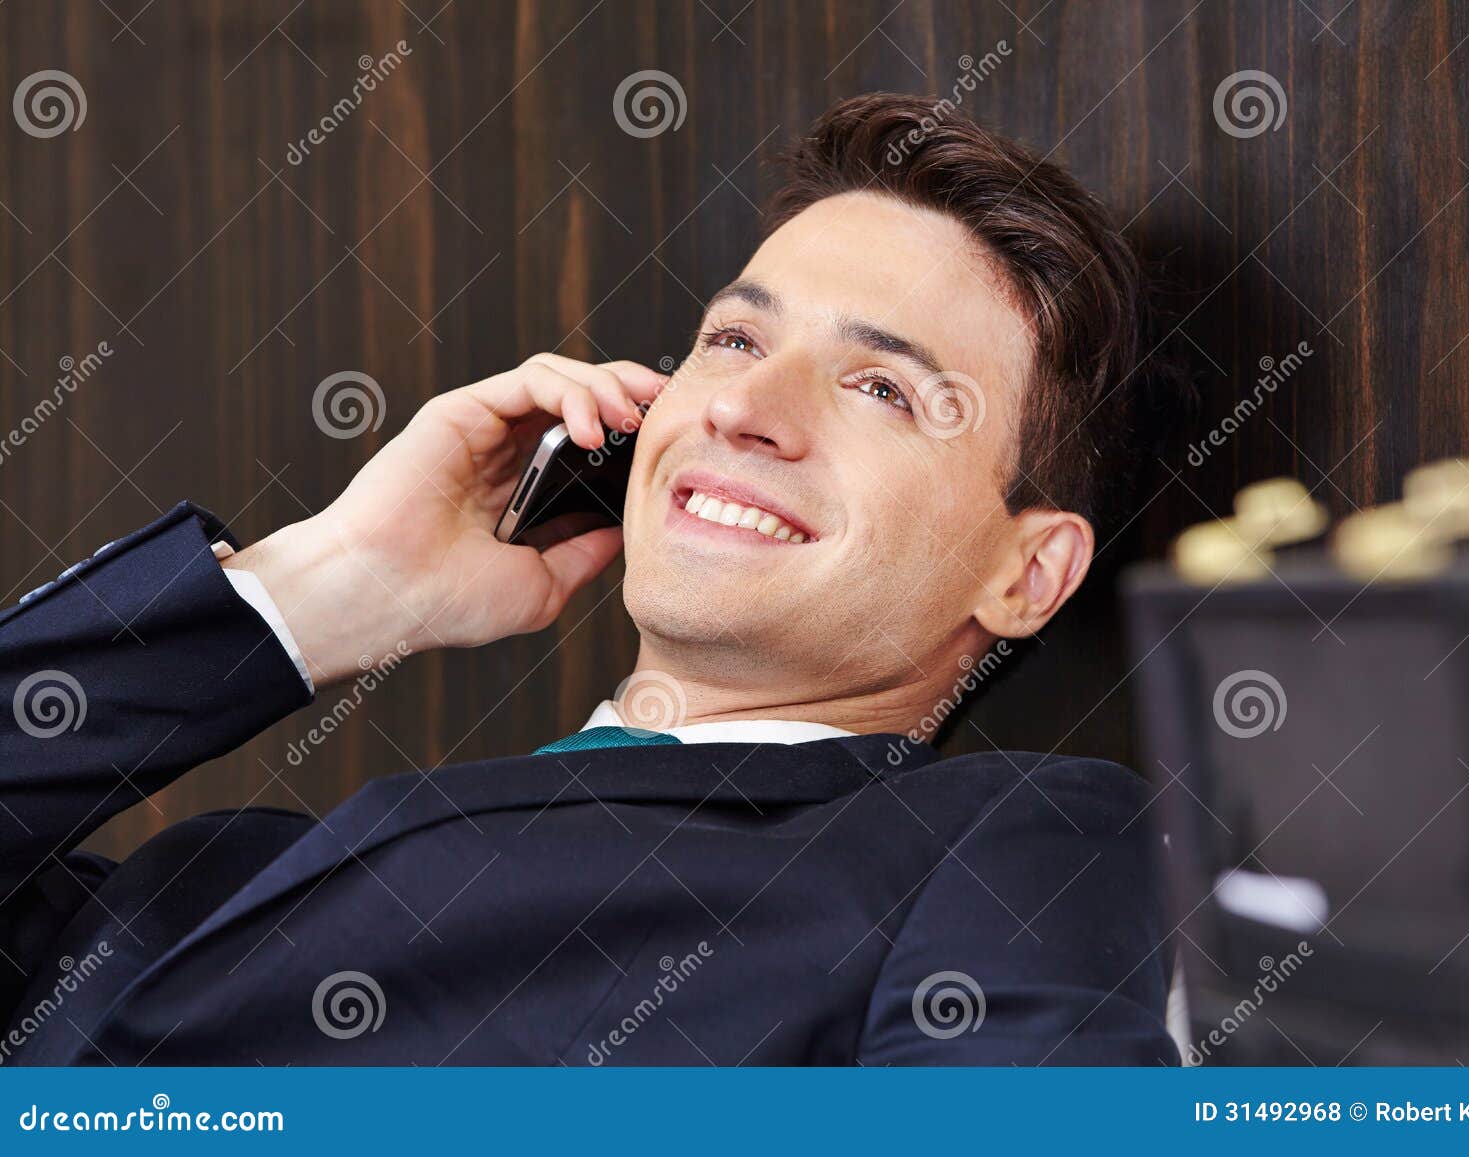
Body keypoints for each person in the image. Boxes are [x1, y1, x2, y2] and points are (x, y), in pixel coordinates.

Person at [0, 93, 1179, 1065]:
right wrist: (326, 586)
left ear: (1028, 574)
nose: (740, 408)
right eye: (733, 339)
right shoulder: (212, 880)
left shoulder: (1015, 840)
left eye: (881, 388)